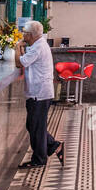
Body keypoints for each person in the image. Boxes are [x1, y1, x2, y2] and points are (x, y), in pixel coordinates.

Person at [16, 20, 63, 169]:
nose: (23, 35)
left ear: (30, 34)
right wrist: (22, 50)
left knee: (36, 126)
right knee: (34, 125)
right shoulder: (38, 45)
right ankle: (54, 146)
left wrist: (18, 47)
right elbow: (26, 61)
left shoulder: (38, 47)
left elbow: (19, 63)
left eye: (25, 32)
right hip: (38, 92)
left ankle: (39, 159)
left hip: (39, 93)